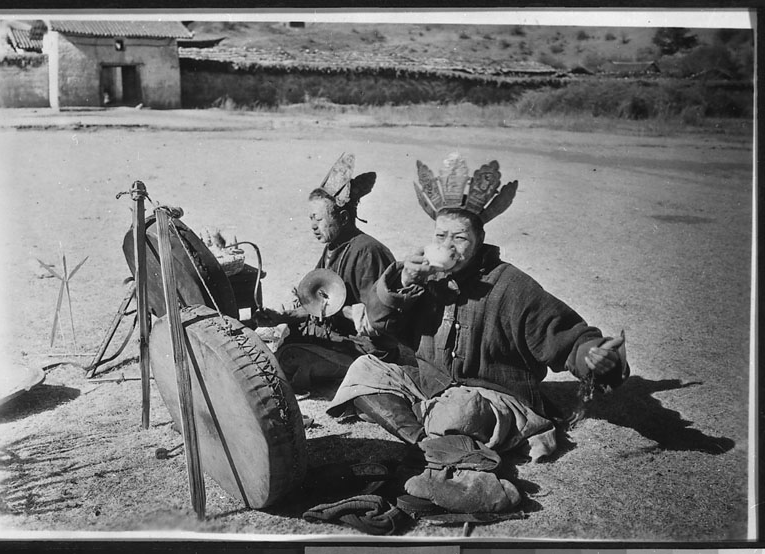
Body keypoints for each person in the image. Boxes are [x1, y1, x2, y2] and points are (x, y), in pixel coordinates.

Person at [327, 152, 629, 463]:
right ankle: (426, 443)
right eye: (440, 236)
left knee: (458, 411)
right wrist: (400, 282)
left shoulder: (511, 286)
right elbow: (381, 328)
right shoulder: (429, 280)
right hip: (434, 388)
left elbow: (566, 337)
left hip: (495, 397)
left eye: (459, 238)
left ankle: (442, 439)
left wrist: (591, 356)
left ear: (480, 239)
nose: (448, 246)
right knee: (363, 370)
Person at [256, 153, 397, 392]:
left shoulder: (368, 253)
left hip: (366, 350)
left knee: (289, 359)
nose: (312, 225)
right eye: (311, 218)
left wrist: (339, 310)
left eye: (318, 219)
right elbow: (316, 305)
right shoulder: (333, 247)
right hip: (339, 341)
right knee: (277, 348)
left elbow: (380, 323)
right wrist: (283, 316)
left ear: (342, 217)